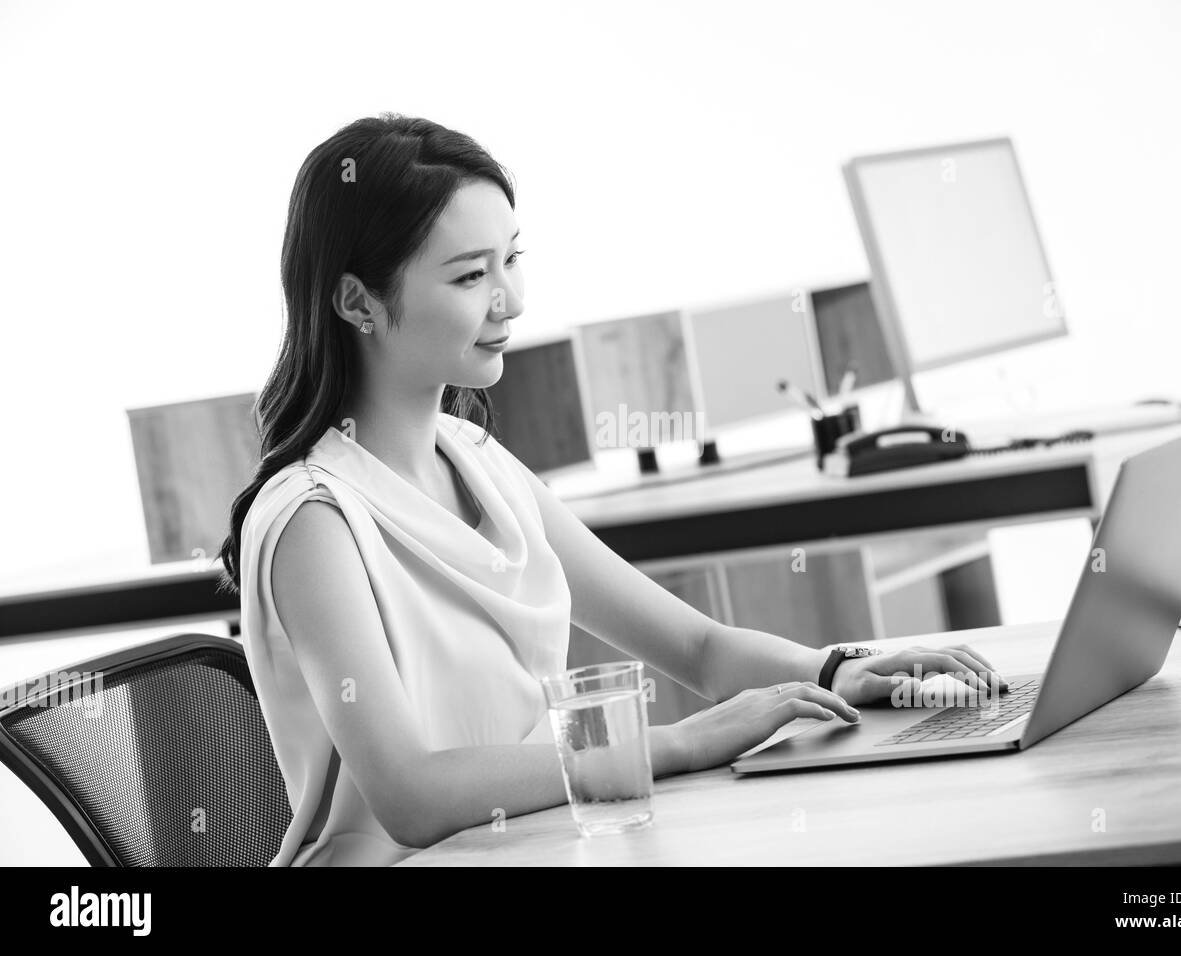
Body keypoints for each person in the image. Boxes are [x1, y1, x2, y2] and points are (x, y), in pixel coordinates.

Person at [219, 114, 1007, 866]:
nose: (512, 301)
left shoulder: (479, 460)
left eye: (511, 261)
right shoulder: (314, 521)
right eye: (469, 276)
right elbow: (413, 796)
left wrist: (833, 669)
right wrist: (672, 744)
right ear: (357, 301)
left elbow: (696, 647)